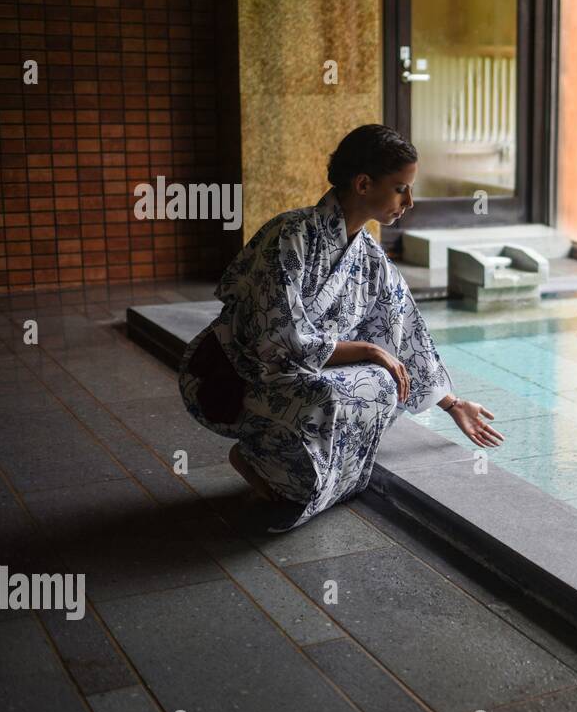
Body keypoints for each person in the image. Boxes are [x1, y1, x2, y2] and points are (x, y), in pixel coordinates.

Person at [177, 124, 504, 531]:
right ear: (364, 183)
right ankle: (265, 459)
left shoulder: (368, 256)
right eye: (401, 187)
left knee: (384, 383)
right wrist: (367, 351)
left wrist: (453, 405)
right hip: (231, 377)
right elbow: (280, 336)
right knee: (332, 392)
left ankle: (296, 475)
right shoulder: (289, 234)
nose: (410, 201)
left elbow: (406, 328)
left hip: (295, 377)